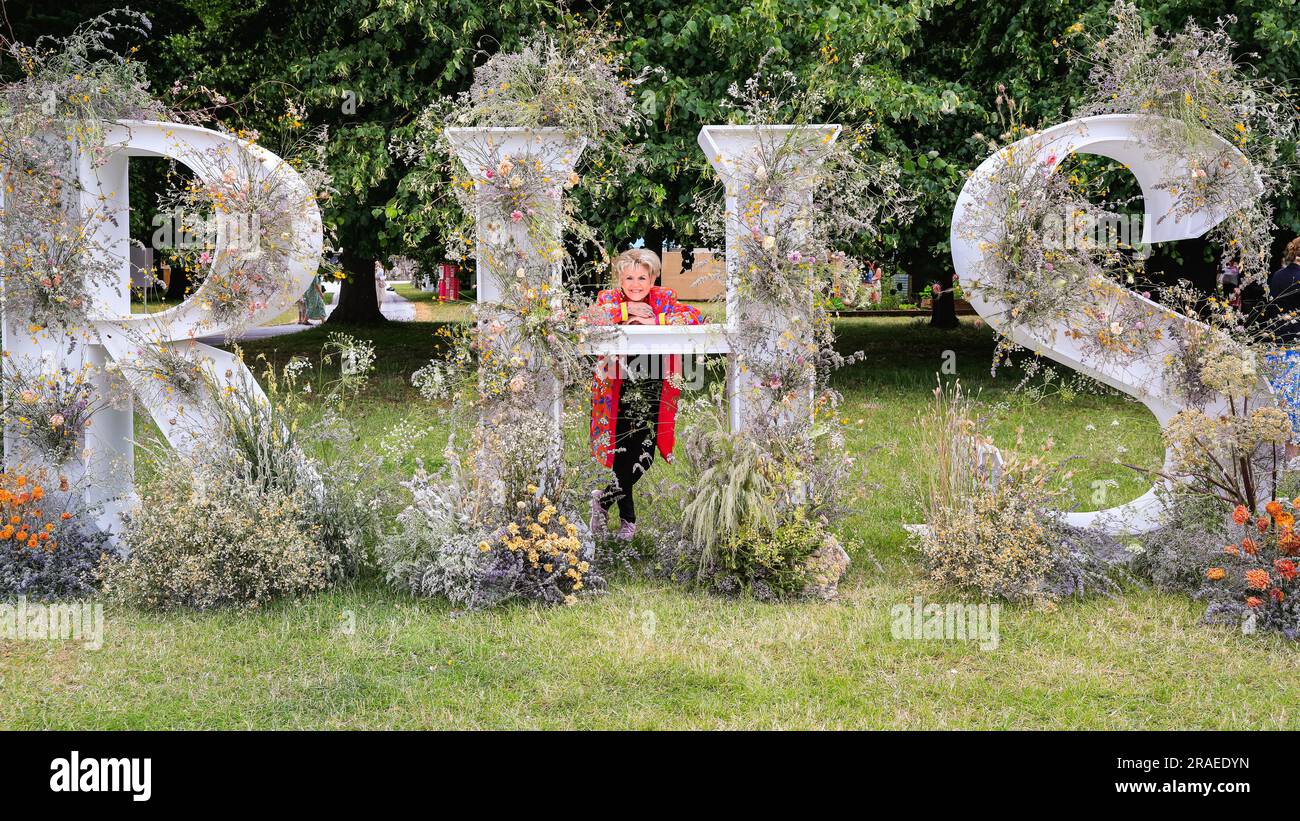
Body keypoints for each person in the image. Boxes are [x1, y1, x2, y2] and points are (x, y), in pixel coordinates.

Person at [588, 248, 703, 541]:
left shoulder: (664, 300)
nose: (635, 284)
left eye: (642, 277)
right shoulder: (610, 300)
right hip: (619, 386)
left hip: (654, 387)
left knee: (646, 454)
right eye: (629, 277)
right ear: (619, 279)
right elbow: (591, 319)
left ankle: (602, 502)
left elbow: (695, 318)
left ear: (653, 277)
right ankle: (628, 521)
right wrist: (627, 312)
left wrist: (654, 322)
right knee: (623, 454)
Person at [1266, 238, 1300, 462]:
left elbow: (1269, 313)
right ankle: (1294, 462)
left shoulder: (1277, 276)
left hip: (1278, 351)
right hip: (1297, 351)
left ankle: (1289, 460)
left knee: (1286, 408)